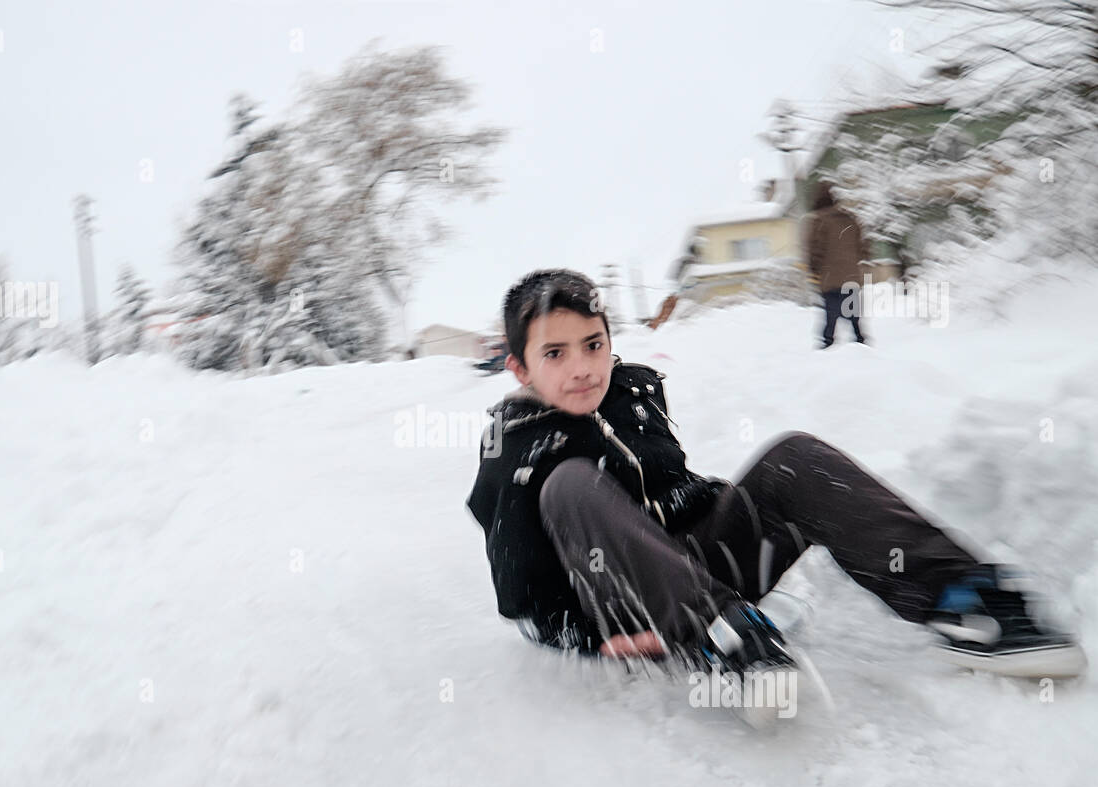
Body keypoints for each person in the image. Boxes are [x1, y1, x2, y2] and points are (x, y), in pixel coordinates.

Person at [464, 268, 1085, 685]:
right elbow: (522, 595)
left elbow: (670, 490)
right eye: (555, 353)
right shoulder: (514, 447)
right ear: (519, 368)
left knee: (793, 455)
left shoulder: (634, 392)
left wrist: (733, 509)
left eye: (592, 344)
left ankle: (960, 597)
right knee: (569, 485)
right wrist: (586, 641)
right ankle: (720, 639)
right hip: (626, 608)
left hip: (703, 574)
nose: (582, 367)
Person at [803, 182, 868, 348]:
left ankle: (827, 347)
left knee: (830, 316)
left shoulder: (819, 220)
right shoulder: (850, 219)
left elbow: (814, 249)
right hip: (851, 277)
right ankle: (862, 346)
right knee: (853, 315)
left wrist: (814, 269)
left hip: (830, 278)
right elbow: (863, 247)